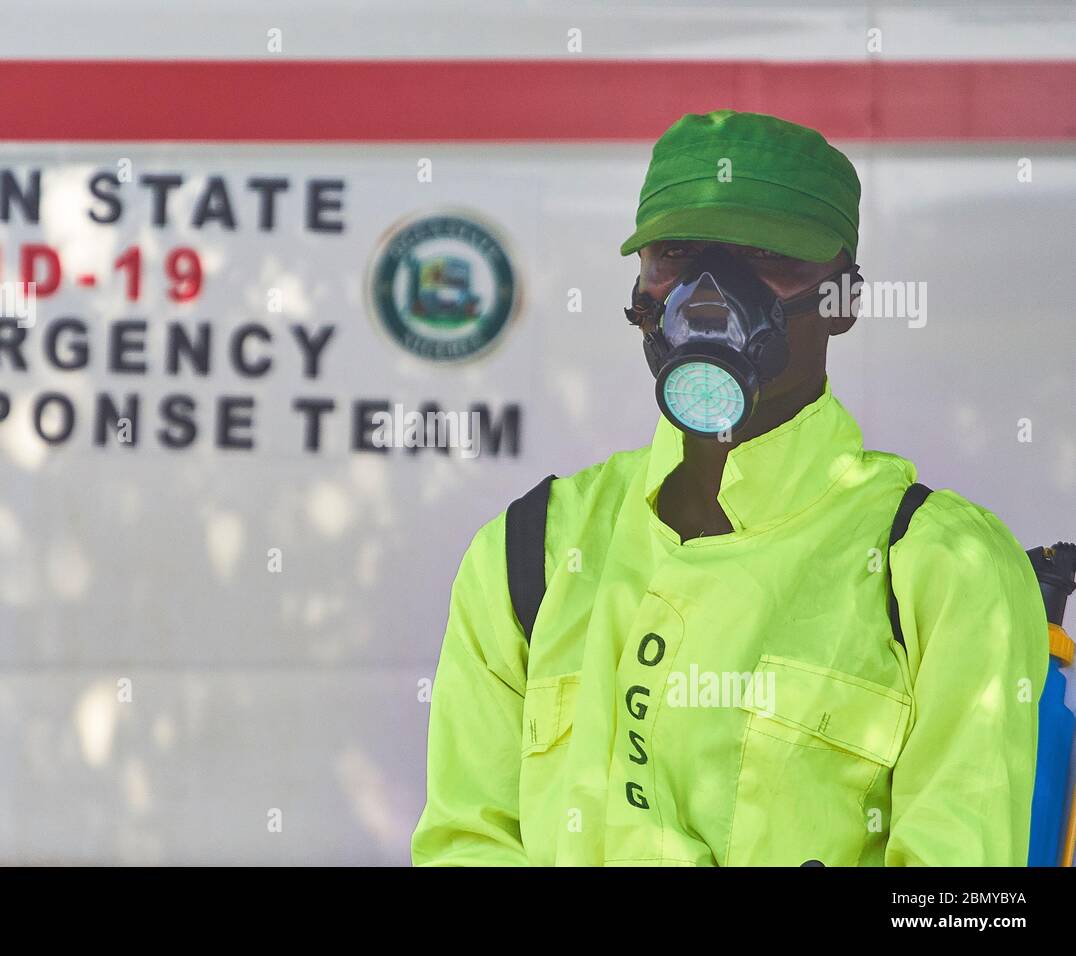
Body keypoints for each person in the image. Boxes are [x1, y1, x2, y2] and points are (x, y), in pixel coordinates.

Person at [410, 110, 1049, 866]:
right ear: (641, 287)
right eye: (676, 255)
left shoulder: (942, 569)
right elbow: (468, 843)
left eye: (765, 257)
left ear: (844, 298)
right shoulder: (532, 554)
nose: (710, 297)